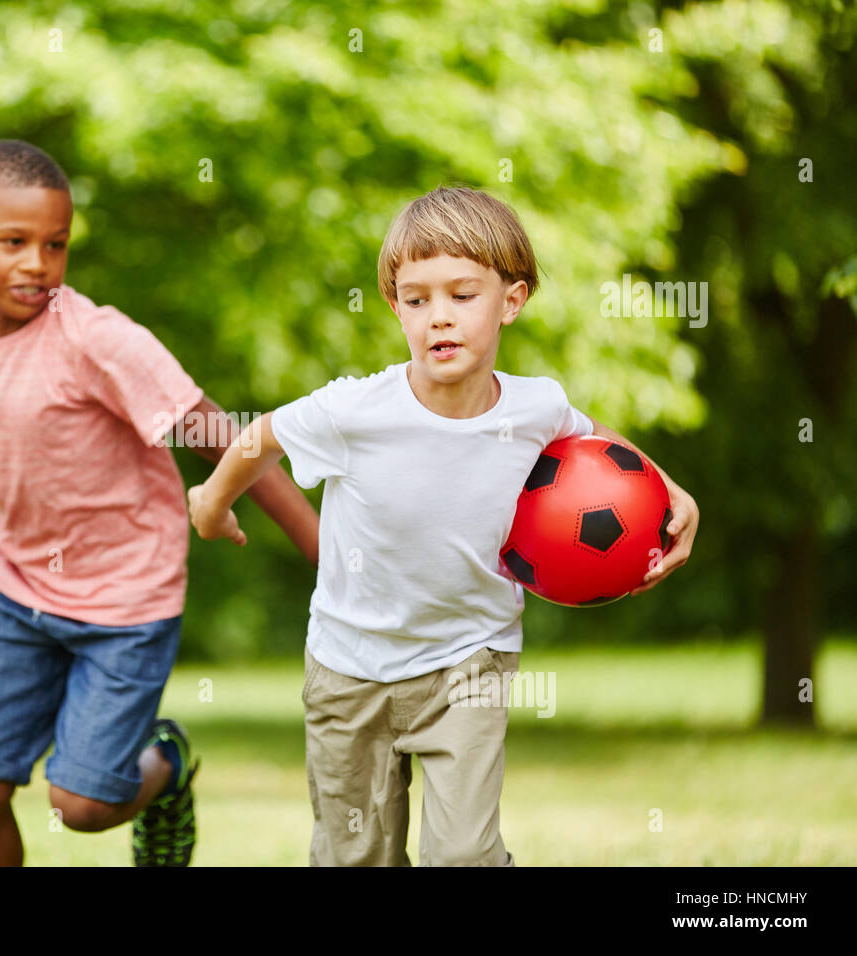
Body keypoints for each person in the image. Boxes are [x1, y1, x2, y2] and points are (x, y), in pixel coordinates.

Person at [188, 186, 699, 866]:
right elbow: (264, 436)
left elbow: (599, 443)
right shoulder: (357, 410)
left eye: (463, 295)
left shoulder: (534, 406)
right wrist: (212, 501)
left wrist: (671, 489)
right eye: (417, 299)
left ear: (510, 302)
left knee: (463, 856)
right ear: (396, 307)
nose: (440, 318)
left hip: (471, 659)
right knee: (354, 856)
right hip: (348, 667)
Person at [0, 140, 319, 866]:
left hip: (128, 597)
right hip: (19, 591)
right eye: (14, 243)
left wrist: (328, 551)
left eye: (55, 244)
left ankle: (168, 763)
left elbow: (224, 437)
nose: (38, 262)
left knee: (84, 806)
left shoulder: (95, 339)